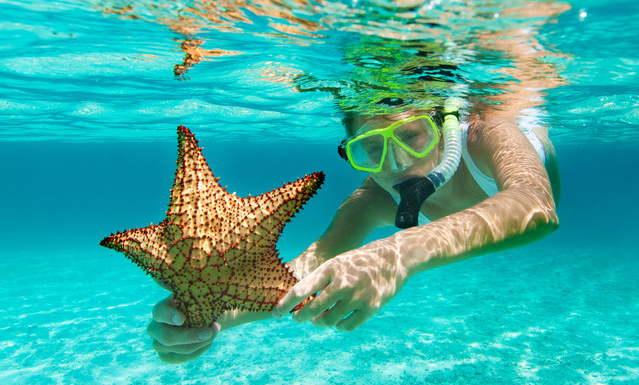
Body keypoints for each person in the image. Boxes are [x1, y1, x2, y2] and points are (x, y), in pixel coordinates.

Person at [147, 98, 561, 364]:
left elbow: (536, 205)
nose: (397, 163)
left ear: (444, 127)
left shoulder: (487, 134)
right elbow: (309, 265)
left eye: (412, 136)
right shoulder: (375, 198)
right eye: (372, 148)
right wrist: (206, 318)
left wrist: (395, 255)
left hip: (530, 156)